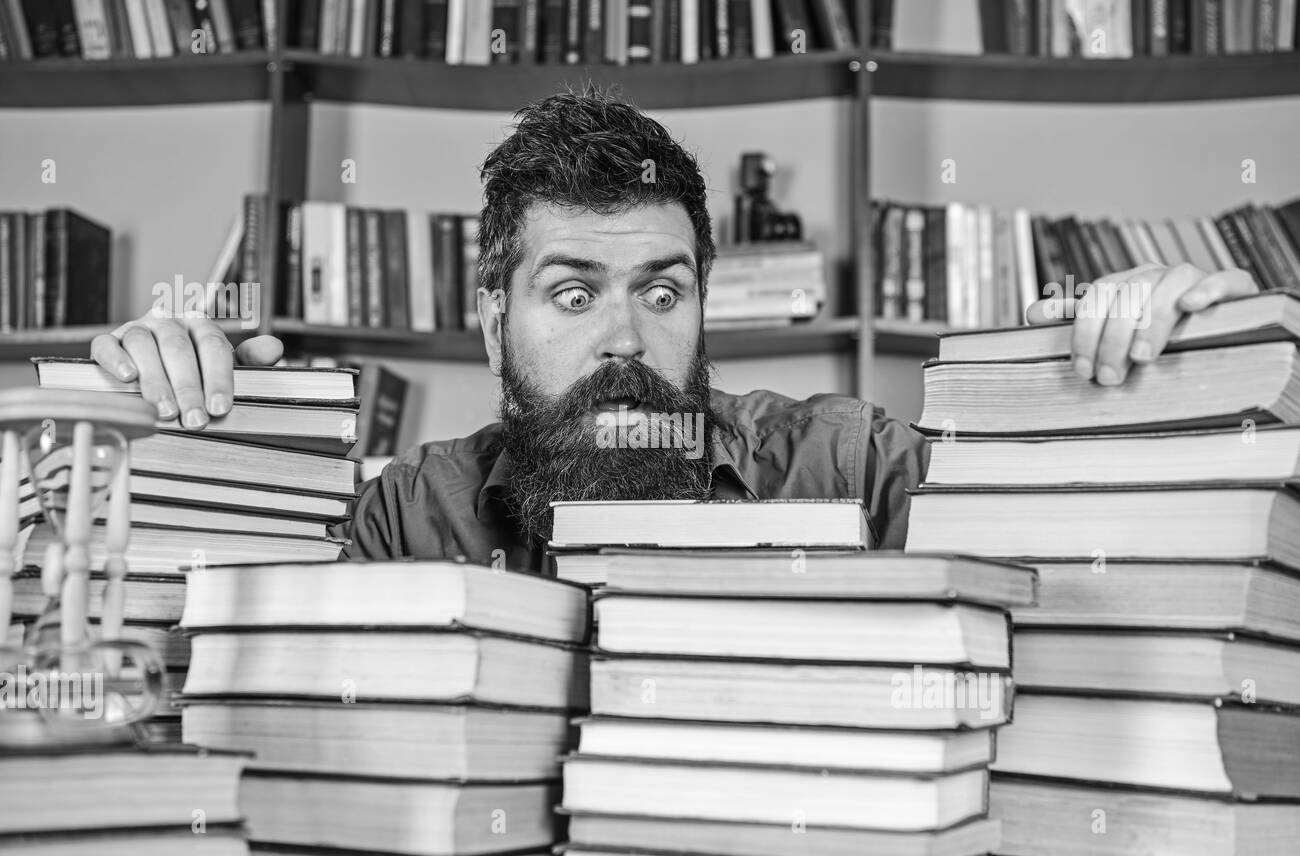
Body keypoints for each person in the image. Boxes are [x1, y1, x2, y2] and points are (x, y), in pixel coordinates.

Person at [89, 88, 1259, 571]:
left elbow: (1091, 562)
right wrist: (162, 429)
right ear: (489, 322)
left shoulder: (849, 466)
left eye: (661, 290)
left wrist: (1184, 365)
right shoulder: (409, 519)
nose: (625, 338)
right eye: (569, 292)